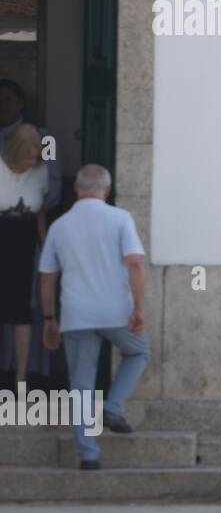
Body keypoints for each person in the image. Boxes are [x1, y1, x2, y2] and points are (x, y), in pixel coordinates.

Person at [37, 165, 149, 471]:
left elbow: (46, 276)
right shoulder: (120, 218)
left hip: (76, 314)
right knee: (138, 351)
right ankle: (113, 408)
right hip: (117, 312)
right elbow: (136, 264)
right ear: (107, 189)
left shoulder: (60, 226)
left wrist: (49, 318)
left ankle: (88, 454)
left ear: (76, 190)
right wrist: (139, 307)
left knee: (82, 385)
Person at [1, 124, 47, 388]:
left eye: (37, 156)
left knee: (22, 312)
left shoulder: (40, 170)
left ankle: (21, 378)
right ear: (16, 151)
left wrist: (46, 247)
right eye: (30, 156)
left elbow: (40, 213)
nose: (34, 161)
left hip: (25, 245)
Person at [0, 78, 60, 213]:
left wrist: (39, 209)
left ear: (21, 103)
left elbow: (53, 179)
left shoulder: (46, 139)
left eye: (8, 99)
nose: (2, 105)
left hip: (32, 215)